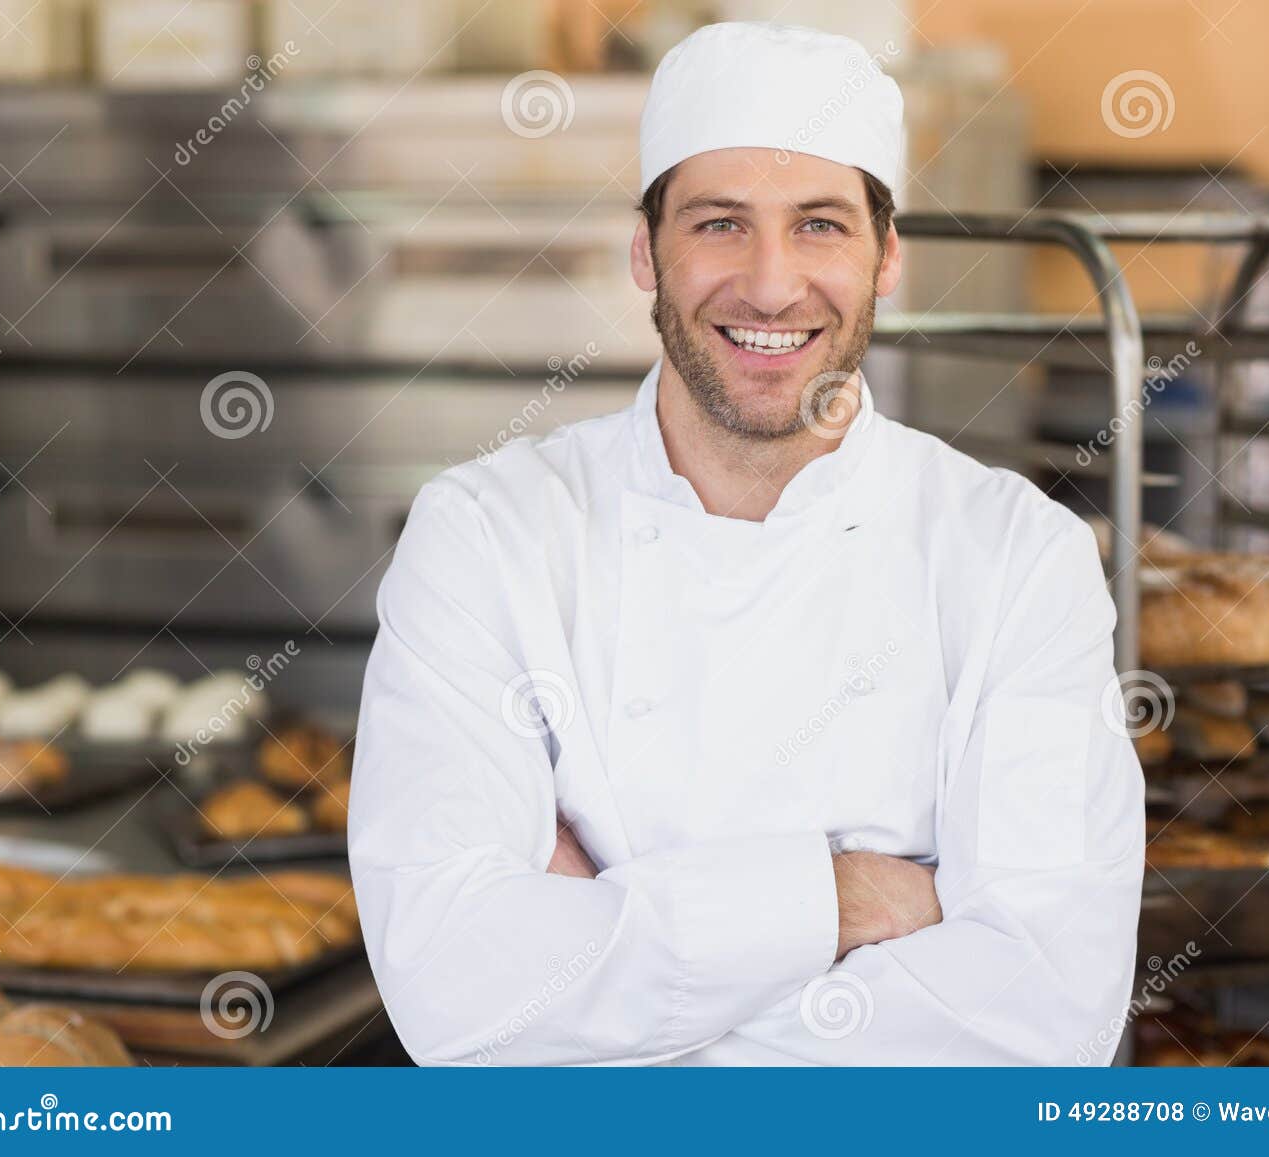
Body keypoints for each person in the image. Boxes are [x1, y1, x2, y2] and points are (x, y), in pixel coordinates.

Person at [350, 21, 1144, 1066]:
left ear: (886, 255)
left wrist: (611, 957)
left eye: (819, 225)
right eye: (720, 223)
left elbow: (1043, 1018)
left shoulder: (1014, 556)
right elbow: (458, 992)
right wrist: (848, 896)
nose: (771, 285)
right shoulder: (488, 535)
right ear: (645, 249)